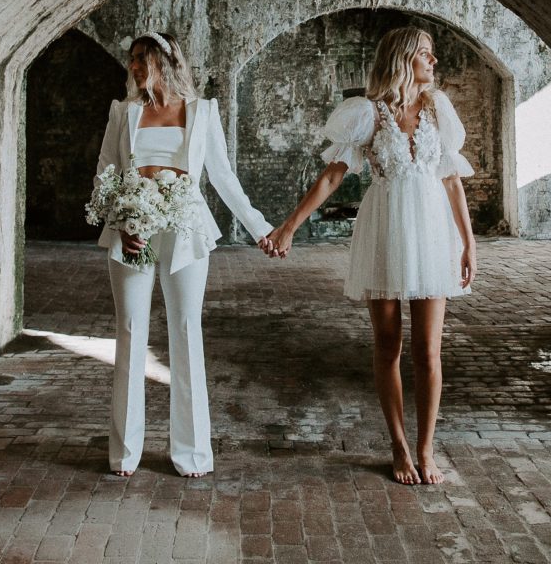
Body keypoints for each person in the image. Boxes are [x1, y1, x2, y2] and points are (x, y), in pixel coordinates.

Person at [270, 27, 476, 485]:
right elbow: (332, 176)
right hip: (384, 230)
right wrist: (289, 227)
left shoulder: (438, 110)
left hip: (431, 234)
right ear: (403, 58)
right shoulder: (367, 114)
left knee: (429, 351)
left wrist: (468, 243)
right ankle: (399, 447)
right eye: (426, 54)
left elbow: (451, 178)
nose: (433, 61)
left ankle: (426, 450)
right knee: (388, 347)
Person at [95, 31, 277, 478]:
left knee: (185, 331)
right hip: (133, 231)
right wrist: (120, 223)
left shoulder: (202, 112)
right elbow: (104, 174)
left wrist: (261, 229)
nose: (135, 66)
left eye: (144, 58)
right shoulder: (123, 113)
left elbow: (223, 178)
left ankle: (192, 452)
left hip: (186, 230)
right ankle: (124, 454)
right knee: (131, 330)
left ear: (168, 60)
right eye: (132, 59)